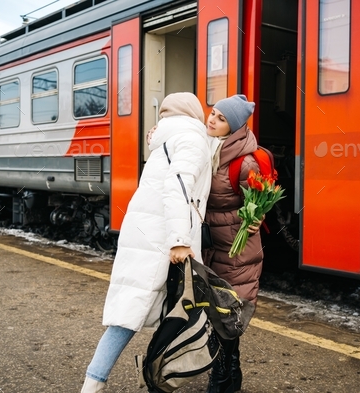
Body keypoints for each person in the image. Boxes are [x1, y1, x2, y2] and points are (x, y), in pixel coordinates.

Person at [81, 92, 213, 393]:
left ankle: (100, 380)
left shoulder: (167, 138)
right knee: (154, 312)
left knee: (138, 310)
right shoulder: (191, 139)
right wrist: (180, 240)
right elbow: (177, 187)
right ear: (194, 113)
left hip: (147, 234)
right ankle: (102, 381)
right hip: (163, 240)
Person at [202, 94, 262, 393]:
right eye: (213, 113)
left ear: (234, 127)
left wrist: (256, 219)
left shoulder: (244, 161)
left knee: (227, 311)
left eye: (221, 118)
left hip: (236, 248)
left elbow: (258, 202)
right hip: (208, 243)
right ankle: (230, 369)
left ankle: (223, 374)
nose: (212, 119)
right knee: (212, 308)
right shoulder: (204, 144)